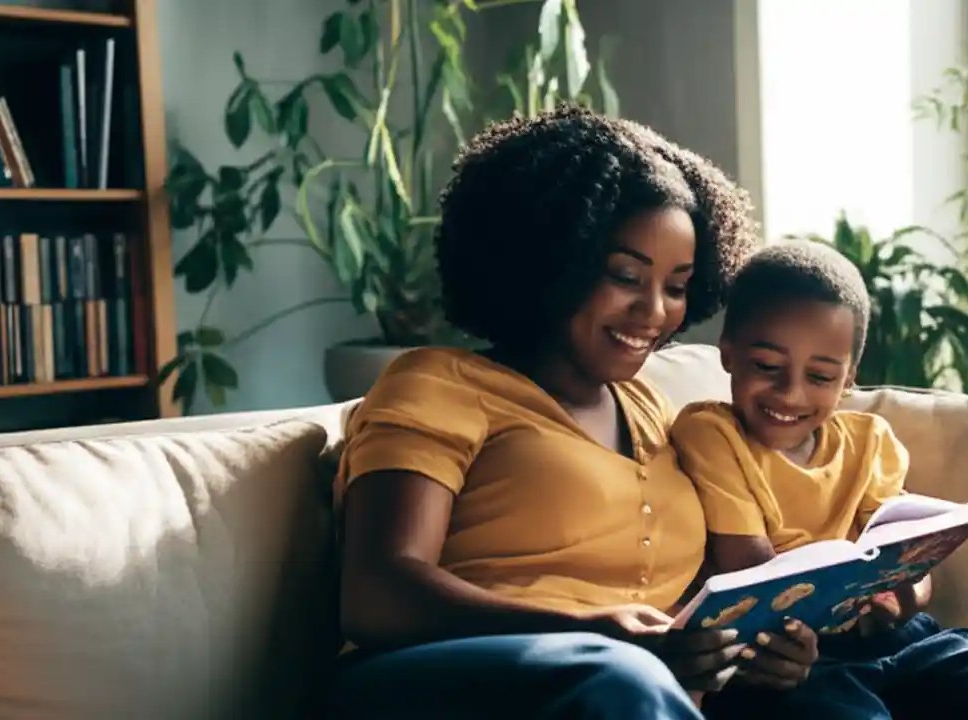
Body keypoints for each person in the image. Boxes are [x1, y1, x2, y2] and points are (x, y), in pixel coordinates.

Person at [329, 106, 791, 719]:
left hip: (629, 689)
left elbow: (685, 598)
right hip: (433, 682)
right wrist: (593, 630)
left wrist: (748, 647)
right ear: (548, 262)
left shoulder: (652, 409)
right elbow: (378, 593)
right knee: (618, 678)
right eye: (626, 276)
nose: (653, 311)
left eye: (677, 286)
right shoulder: (439, 385)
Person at [670, 240, 968, 719]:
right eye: (768, 367)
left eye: (821, 377)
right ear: (728, 352)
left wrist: (902, 597)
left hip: (910, 642)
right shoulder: (712, 432)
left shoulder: (871, 440)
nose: (790, 393)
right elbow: (753, 575)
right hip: (796, 666)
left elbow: (904, 564)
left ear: (849, 377)